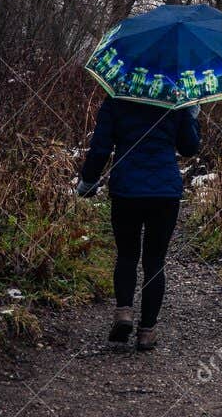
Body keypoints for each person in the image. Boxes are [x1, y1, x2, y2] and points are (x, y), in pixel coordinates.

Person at [76, 97, 201, 351]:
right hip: (165, 193)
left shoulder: (117, 97)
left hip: (126, 189)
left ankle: (123, 312)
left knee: (127, 254)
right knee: (155, 261)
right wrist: (190, 114)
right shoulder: (176, 98)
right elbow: (189, 147)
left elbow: (100, 146)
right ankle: (147, 331)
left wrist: (89, 180)